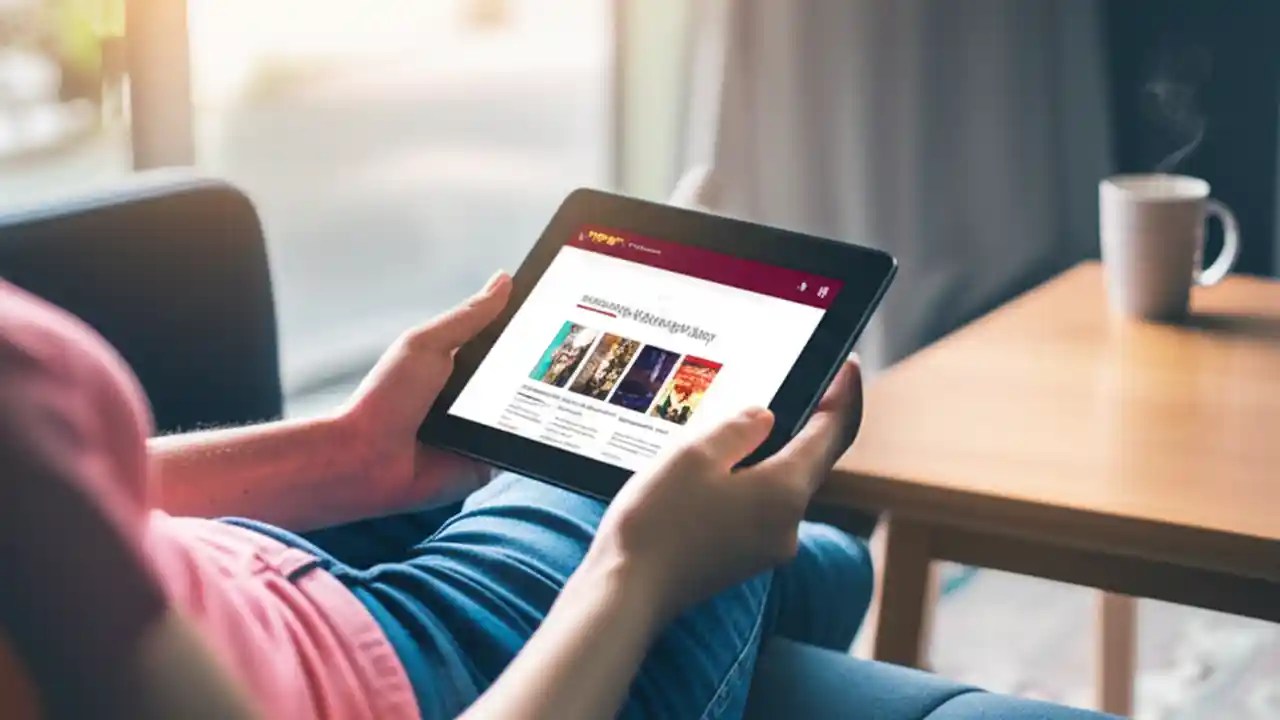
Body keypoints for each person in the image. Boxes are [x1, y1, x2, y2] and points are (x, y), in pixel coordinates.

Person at [0, 270, 870, 719]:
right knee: (620, 468)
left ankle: (797, 573)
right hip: (398, 683)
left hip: (250, 579)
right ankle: (818, 568)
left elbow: (52, 530)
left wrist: (341, 453)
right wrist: (636, 572)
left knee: (541, 448)